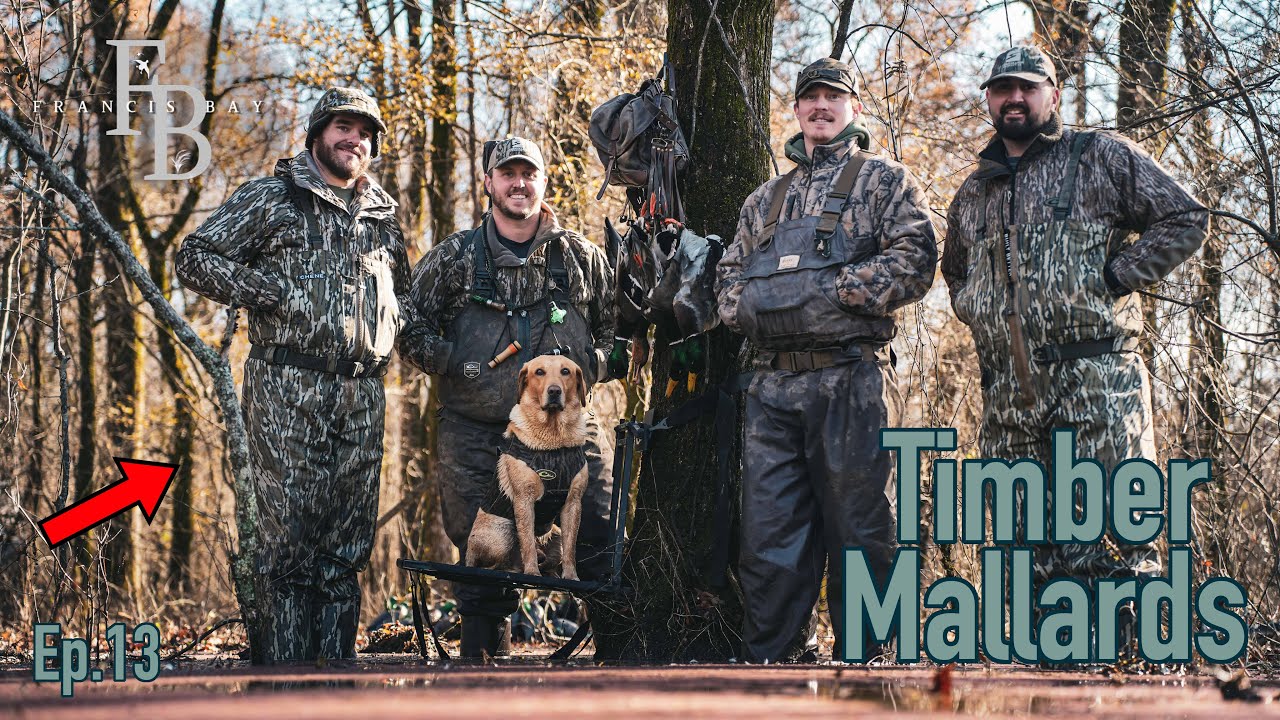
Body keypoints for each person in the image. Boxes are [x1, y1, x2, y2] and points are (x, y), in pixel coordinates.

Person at [941, 46, 1209, 613]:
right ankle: (1037, 683)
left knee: (1112, 534)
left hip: (1098, 378)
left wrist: (1115, 276)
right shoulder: (973, 193)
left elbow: (1186, 218)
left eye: (1028, 87)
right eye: (1002, 88)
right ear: (988, 99)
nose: (1015, 97)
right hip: (1010, 391)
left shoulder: (1101, 156)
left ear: (1054, 95)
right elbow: (956, 271)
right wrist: (977, 307)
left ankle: (1130, 679)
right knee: (1023, 545)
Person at [716, 58, 937, 663]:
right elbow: (728, 278)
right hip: (772, 389)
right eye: (810, 98)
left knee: (862, 529)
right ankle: (776, 661)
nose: (820, 107)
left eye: (832, 98)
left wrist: (832, 293)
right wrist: (756, 310)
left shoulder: (885, 182)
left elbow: (916, 258)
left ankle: (868, 666)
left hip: (852, 381)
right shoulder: (764, 200)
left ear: (853, 109)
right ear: (795, 111)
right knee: (768, 538)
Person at [176, 87, 408, 663]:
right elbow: (195, 256)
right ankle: (281, 686)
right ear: (317, 133)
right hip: (287, 388)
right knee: (288, 551)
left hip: (362, 391)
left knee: (346, 548)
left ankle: (335, 683)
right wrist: (269, 292)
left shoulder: (382, 216)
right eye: (342, 127)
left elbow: (403, 295)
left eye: (363, 132)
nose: (353, 139)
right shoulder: (272, 198)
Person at [398, 136, 616, 658]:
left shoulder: (583, 258)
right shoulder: (454, 259)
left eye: (529, 173)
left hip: (569, 437)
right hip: (481, 436)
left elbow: (616, 330)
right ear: (490, 183)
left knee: (601, 541)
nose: (520, 183)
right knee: (484, 554)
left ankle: (621, 667)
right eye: (508, 173)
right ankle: (481, 672)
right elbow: (404, 322)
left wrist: (599, 364)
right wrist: (448, 359)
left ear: (544, 181)